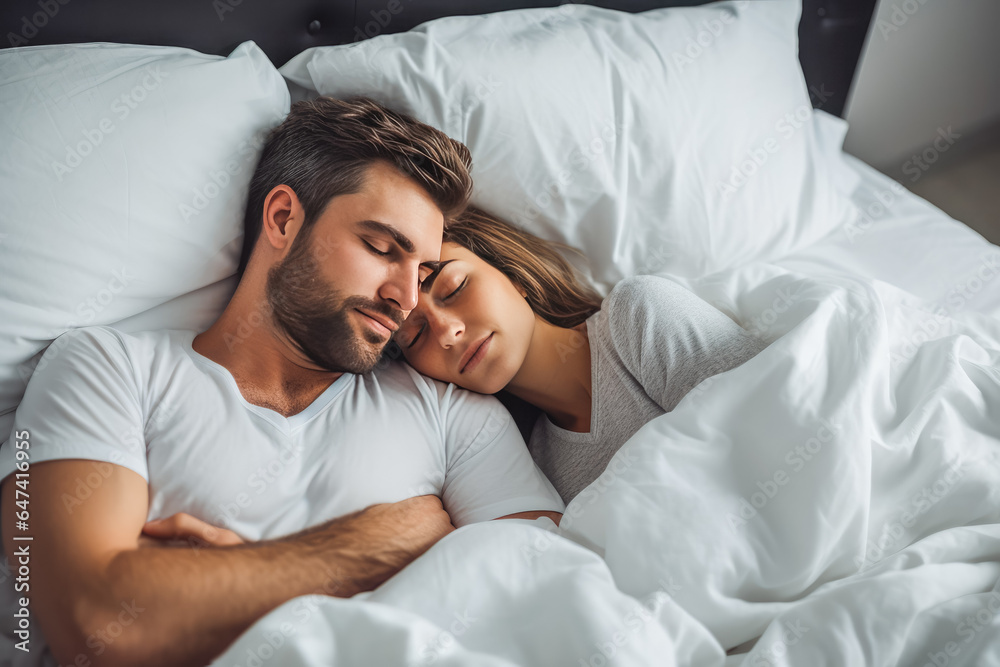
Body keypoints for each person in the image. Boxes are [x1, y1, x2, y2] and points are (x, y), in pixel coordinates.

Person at [0, 97, 564, 667]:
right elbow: (91, 622)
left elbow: (548, 609)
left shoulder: (451, 413)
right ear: (283, 219)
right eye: (381, 248)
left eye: (421, 271)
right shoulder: (106, 369)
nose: (407, 299)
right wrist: (372, 549)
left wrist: (223, 587)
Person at [391, 206, 769, 504]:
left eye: (454, 288)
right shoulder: (536, 468)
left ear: (514, 277)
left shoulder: (637, 314)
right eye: (414, 335)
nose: (446, 333)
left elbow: (770, 420)